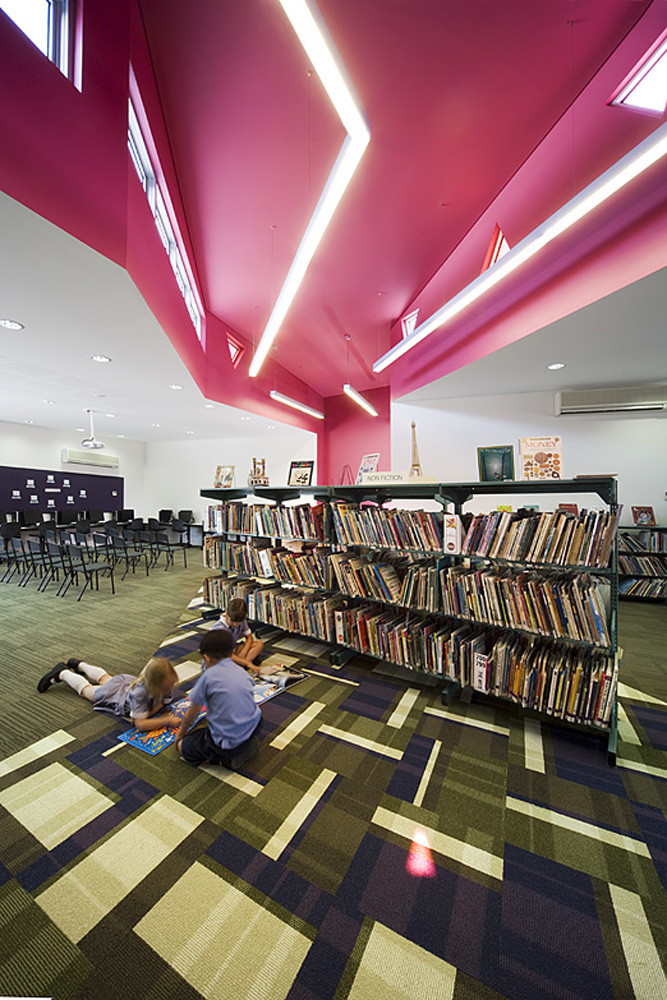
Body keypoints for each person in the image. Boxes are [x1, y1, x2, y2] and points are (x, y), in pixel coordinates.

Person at [175, 628, 261, 768]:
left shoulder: (207, 677)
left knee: (184, 746)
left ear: (206, 658)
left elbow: (192, 715)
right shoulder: (242, 671)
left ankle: (225, 759)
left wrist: (180, 735)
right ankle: (247, 746)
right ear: (232, 653)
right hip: (253, 727)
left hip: (227, 742)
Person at [36, 656, 184, 732]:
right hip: (115, 695)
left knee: (105, 678)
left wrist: (157, 706)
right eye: (168, 686)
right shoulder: (140, 694)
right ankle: (62, 673)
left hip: (123, 683)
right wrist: (166, 720)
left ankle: (79, 664)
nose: (171, 688)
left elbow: (163, 702)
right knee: (88, 691)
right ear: (154, 686)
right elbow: (140, 724)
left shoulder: (162, 685)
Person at [211, 597, 264, 674]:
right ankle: (241, 665)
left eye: (239, 622)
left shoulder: (241, 619)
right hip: (221, 656)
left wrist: (243, 652)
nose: (235, 624)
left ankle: (238, 666)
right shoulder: (219, 629)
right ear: (226, 614)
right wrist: (248, 663)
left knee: (259, 644)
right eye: (233, 621)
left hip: (233, 650)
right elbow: (226, 654)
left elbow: (249, 638)